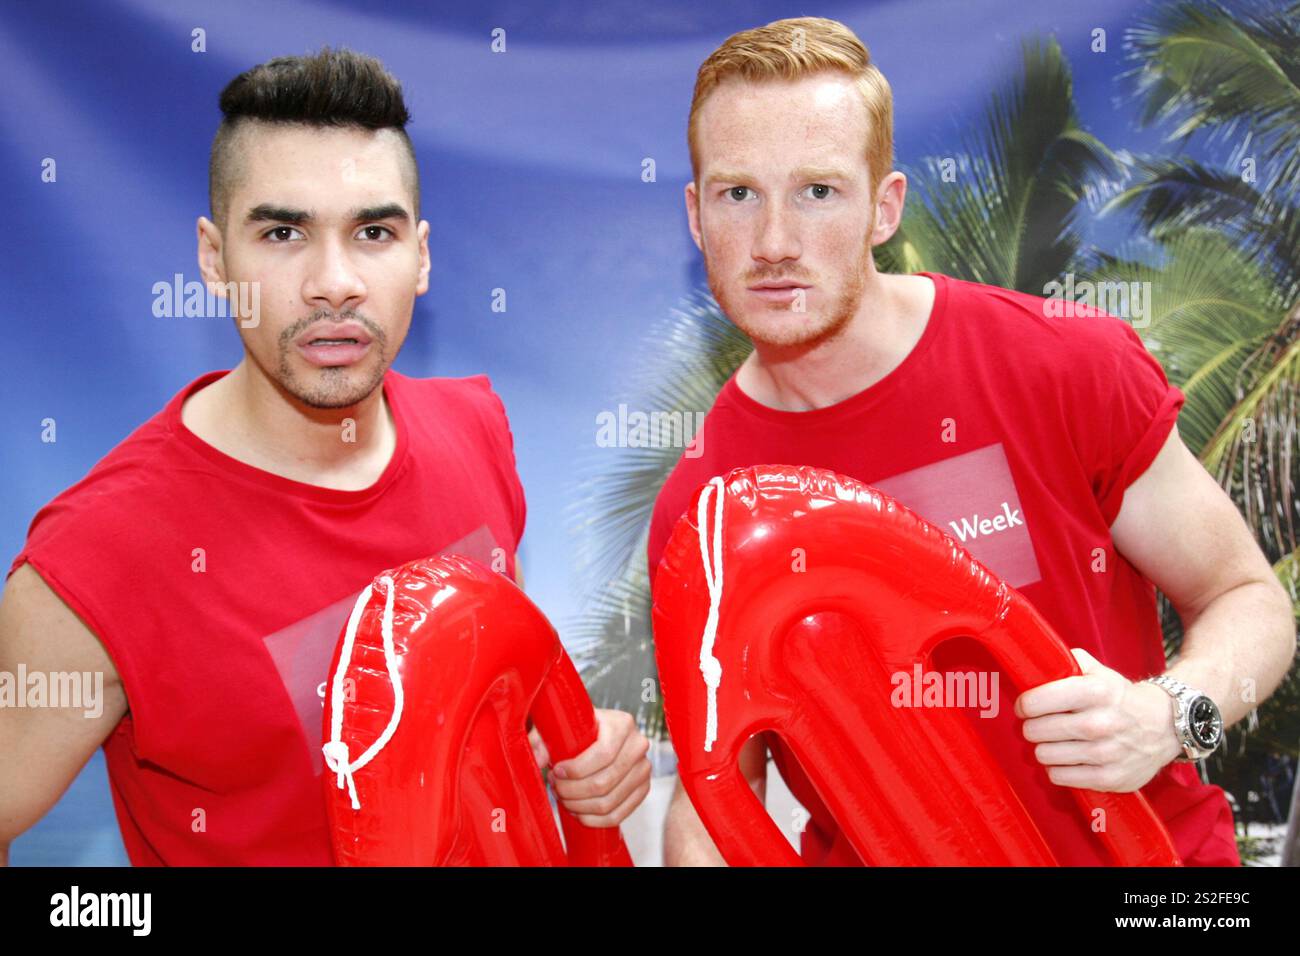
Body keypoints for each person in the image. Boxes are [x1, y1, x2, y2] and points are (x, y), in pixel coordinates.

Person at [651, 17, 1296, 866]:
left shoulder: (1063, 363)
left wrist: (1168, 715)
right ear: (696, 217)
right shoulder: (702, 512)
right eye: (739, 194)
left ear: (884, 208)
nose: (774, 243)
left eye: (819, 191)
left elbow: (1248, 598)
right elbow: (716, 797)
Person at [0, 47, 650, 866]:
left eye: (373, 232)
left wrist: (578, 753)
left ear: (420, 255)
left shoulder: (475, 425)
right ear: (214, 260)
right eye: (283, 233)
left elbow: (487, 703)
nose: (334, 282)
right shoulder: (93, 564)